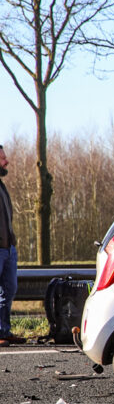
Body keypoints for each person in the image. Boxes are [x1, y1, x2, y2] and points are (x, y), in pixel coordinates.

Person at [0, 145, 23, 347]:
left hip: (7, 249)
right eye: (2, 158)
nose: (6, 162)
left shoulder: (1, 186)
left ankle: (4, 330)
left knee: (9, 289)